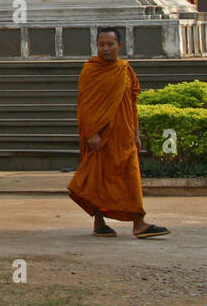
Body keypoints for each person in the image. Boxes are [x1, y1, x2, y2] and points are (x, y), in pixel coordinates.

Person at [68, 28, 168, 239]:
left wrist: (136, 133)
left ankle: (138, 222)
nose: (105, 49)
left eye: (110, 44)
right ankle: (99, 221)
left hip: (123, 133)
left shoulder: (125, 69)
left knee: (130, 176)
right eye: (101, 44)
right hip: (99, 136)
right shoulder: (91, 70)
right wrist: (92, 133)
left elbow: (131, 103)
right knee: (98, 176)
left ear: (120, 46)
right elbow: (85, 105)